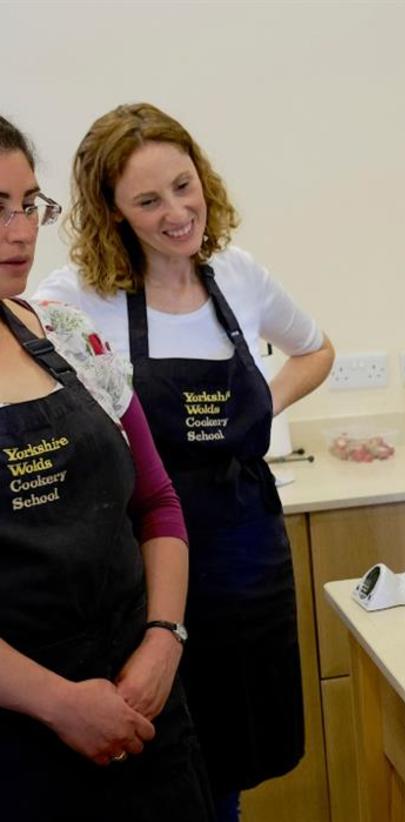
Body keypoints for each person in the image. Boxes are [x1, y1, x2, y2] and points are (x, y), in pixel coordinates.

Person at [35, 103, 335, 819]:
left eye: (183, 184)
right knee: (162, 760)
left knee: (234, 753)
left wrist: (264, 401)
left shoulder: (238, 274)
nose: (176, 212)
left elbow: (316, 349)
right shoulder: (73, 300)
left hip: (243, 551)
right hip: (143, 563)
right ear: (113, 213)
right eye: (147, 199)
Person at [0, 115, 213, 819]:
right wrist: (59, 703)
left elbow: (156, 504)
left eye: (28, 203)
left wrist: (163, 639)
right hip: (22, 743)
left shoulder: (65, 333)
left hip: (145, 707)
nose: (22, 229)